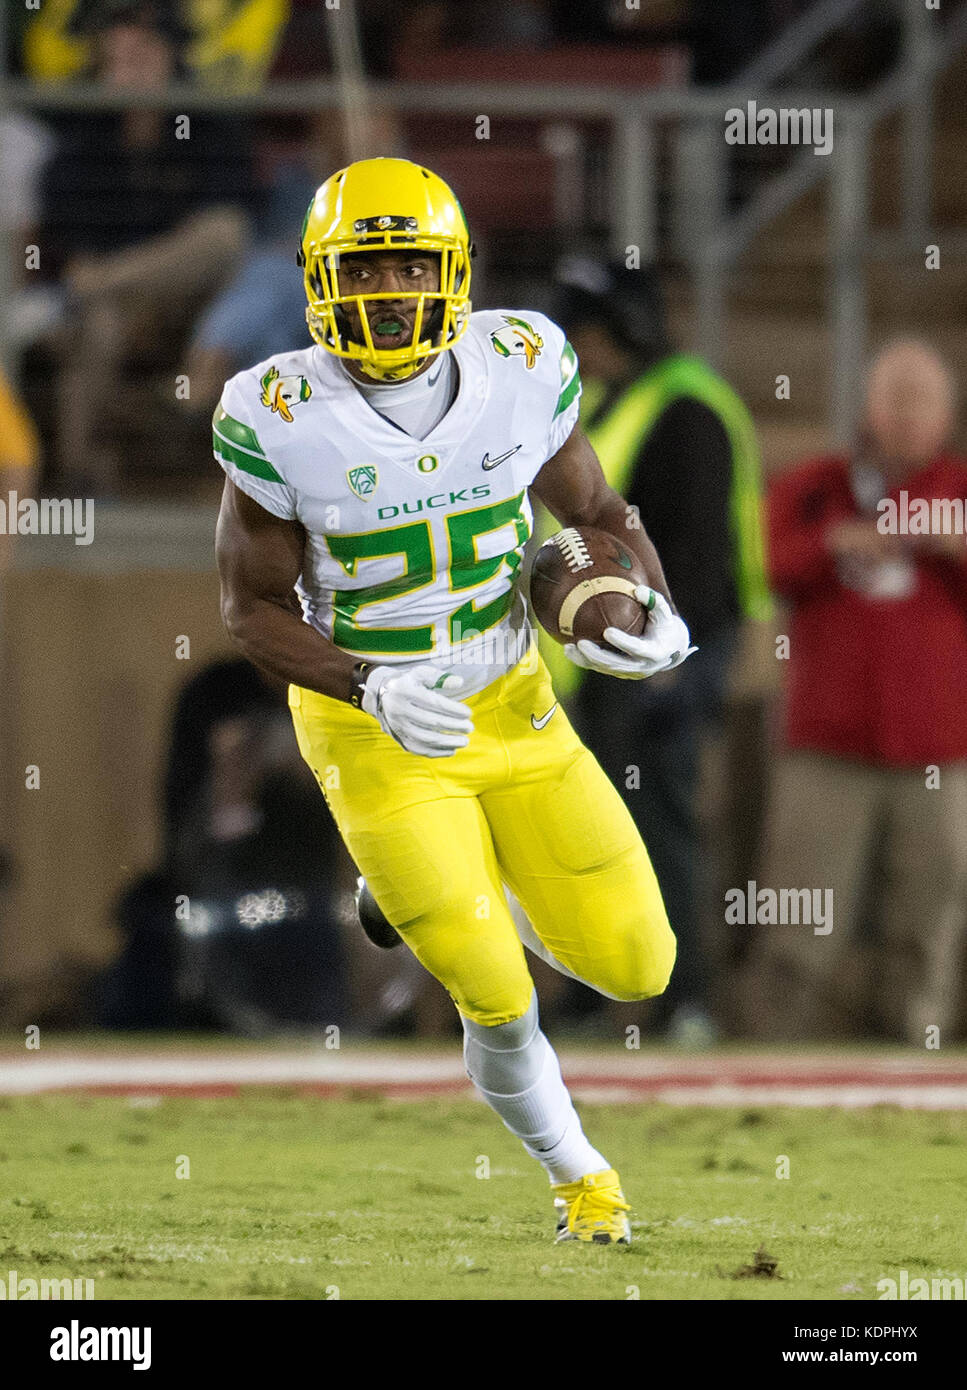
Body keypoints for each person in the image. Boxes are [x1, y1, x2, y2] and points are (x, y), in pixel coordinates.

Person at [214, 157, 694, 1244]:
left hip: (511, 695)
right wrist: (367, 683)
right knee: (491, 979)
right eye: (363, 270)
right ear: (317, 281)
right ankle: (583, 1177)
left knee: (637, 963)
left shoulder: (523, 365)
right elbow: (249, 610)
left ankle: (423, 886)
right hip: (371, 721)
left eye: (409, 268)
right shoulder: (279, 411)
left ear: (457, 274)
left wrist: (650, 606)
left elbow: (601, 512)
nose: (387, 293)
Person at [547, 255, 771, 1044]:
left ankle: (684, 1003)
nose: (576, 351)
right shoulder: (630, 401)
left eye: (582, 334)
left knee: (660, 821)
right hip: (615, 659)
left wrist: (666, 663)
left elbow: (695, 555)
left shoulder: (684, 411)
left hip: (661, 657)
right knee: (596, 826)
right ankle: (596, 997)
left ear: (615, 334)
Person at [746, 338, 967, 1043]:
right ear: (866, 405)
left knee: (927, 919)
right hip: (826, 744)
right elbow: (765, 567)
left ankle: (914, 1062)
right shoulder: (814, 486)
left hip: (938, 749)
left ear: (947, 413)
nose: (905, 415)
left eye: (921, 400)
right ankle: (772, 1063)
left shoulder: (957, 494)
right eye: (893, 397)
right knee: (798, 917)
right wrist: (832, 543)